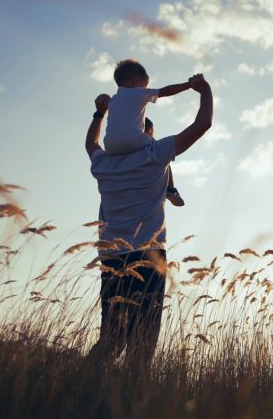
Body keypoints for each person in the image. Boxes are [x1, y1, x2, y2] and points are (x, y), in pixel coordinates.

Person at [84, 73, 213, 370]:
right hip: (148, 255)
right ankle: (131, 401)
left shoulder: (103, 163)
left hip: (111, 258)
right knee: (142, 344)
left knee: (111, 339)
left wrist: (98, 113)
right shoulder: (155, 154)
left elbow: (91, 143)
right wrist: (203, 90)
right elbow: (202, 125)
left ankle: (83, 385)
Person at [104, 58, 188, 206]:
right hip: (132, 139)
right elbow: (166, 91)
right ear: (137, 81)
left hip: (109, 146)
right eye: (145, 85)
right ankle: (170, 189)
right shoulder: (138, 93)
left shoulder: (113, 101)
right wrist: (189, 85)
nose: (145, 89)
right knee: (162, 151)